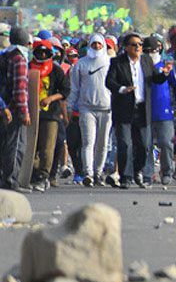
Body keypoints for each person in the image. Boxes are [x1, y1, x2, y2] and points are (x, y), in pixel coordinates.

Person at [105, 32, 168, 189]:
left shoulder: (146, 60)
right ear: (126, 47)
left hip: (142, 109)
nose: (138, 47)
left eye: (140, 44)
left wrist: (164, 74)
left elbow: (155, 79)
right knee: (125, 144)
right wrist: (122, 89)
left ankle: (136, 170)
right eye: (134, 45)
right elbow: (109, 82)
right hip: (124, 109)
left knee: (144, 146)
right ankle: (125, 177)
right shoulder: (117, 62)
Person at [68, 33, 113, 187]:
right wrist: (69, 106)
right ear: (89, 45)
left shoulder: (110, 62)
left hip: (106, 108)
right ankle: (88, 173)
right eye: (94, 44)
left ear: (103, 45)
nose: (97, 46)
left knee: (103, 143)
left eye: (99, 44)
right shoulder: (81, 64)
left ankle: (98, 173)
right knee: (88, 142)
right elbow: (75, 88)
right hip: (86, 108)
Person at [29, 39, 71, 192]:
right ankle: (32, 174)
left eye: (45, 52)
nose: (42, 55)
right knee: (31, 148)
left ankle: (43, 176)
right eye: (39, 52)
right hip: (31, 113)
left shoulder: (56, 70)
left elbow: (65, 91)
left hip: (51, 114)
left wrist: (51, 98)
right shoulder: (28, 68)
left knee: (47, 148)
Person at [143, 37, 176, 185]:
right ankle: (148, 174)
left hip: (164, 111)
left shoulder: (166, 66)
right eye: (147, 51)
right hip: (145, 111)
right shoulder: (141, 65)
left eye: (153, 50)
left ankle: (166, 172)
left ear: (158, 50)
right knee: (146, 145)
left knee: (166, 143)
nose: (150, 53)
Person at [0, 27, 32, 190]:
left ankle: (4, 178)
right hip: (14, 109)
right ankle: (11, 180)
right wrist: (24, 112)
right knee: (16, 146)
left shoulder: (5, 55)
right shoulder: (19, 59)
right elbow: (19, 88)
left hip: (3, 107)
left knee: (5, 144)